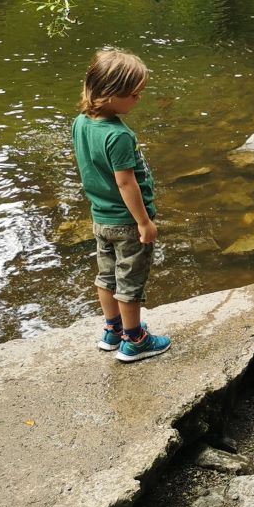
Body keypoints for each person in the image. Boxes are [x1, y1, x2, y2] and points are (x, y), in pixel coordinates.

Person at [72, 47, 172, 363]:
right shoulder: (118, 135)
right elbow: (126, 183)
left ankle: (112, 330)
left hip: (101, 217)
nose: (138, 99)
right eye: (134, 94)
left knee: (106, 276)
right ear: (111, 94)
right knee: (129, 283)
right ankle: (135, 340)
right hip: (127, 223)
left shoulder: (81, 123)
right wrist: (144, 222)